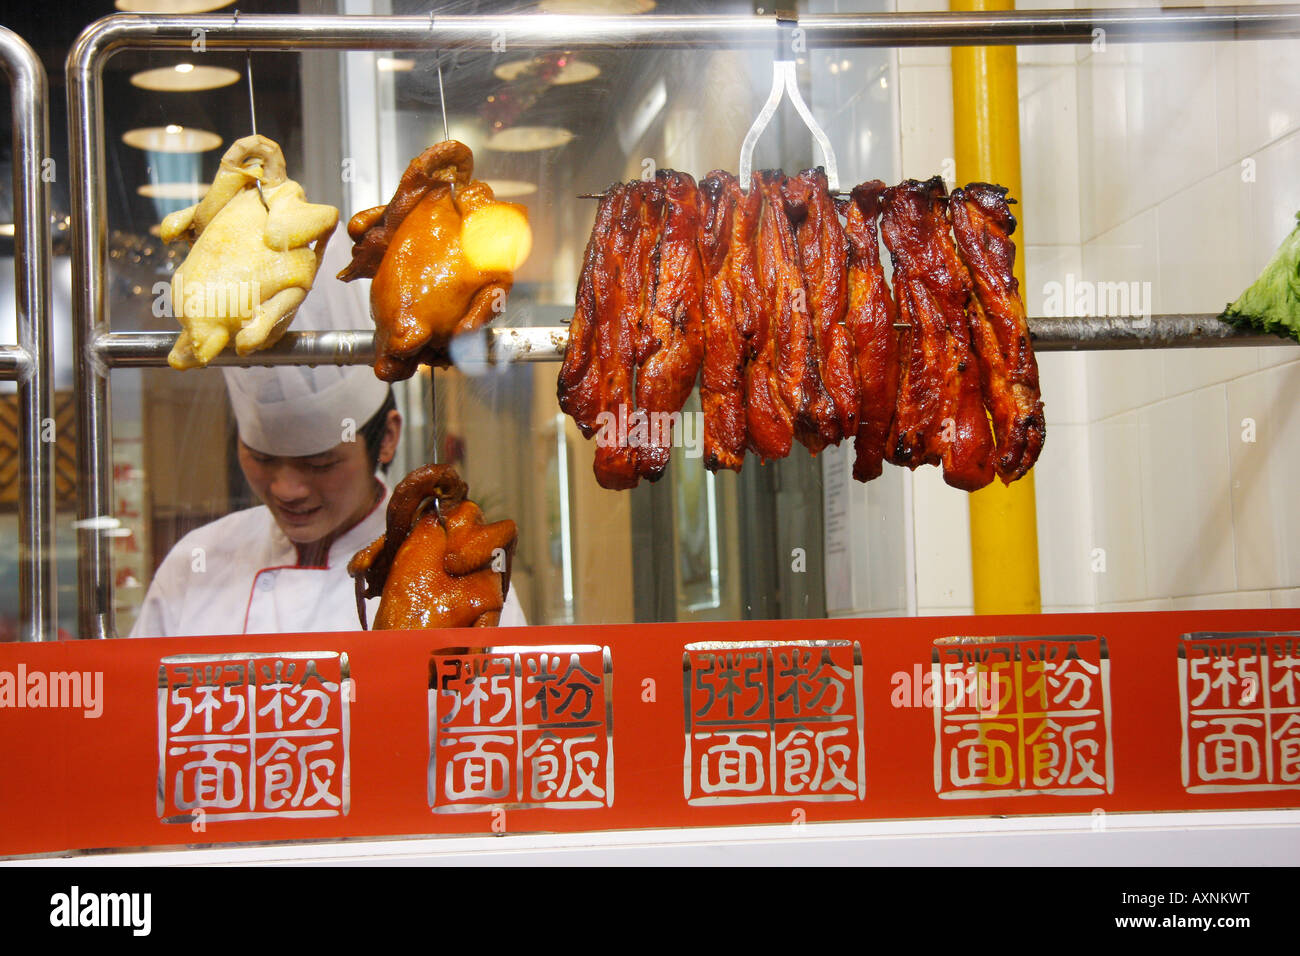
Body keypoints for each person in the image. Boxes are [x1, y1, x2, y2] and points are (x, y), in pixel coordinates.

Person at [130, 238, 525, 637]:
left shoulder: (460, 565)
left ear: (387, 437)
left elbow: (500, 696)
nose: (287, 489)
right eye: (261, 458)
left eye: (320, 463)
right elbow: (141, 697)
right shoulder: (195, 563)